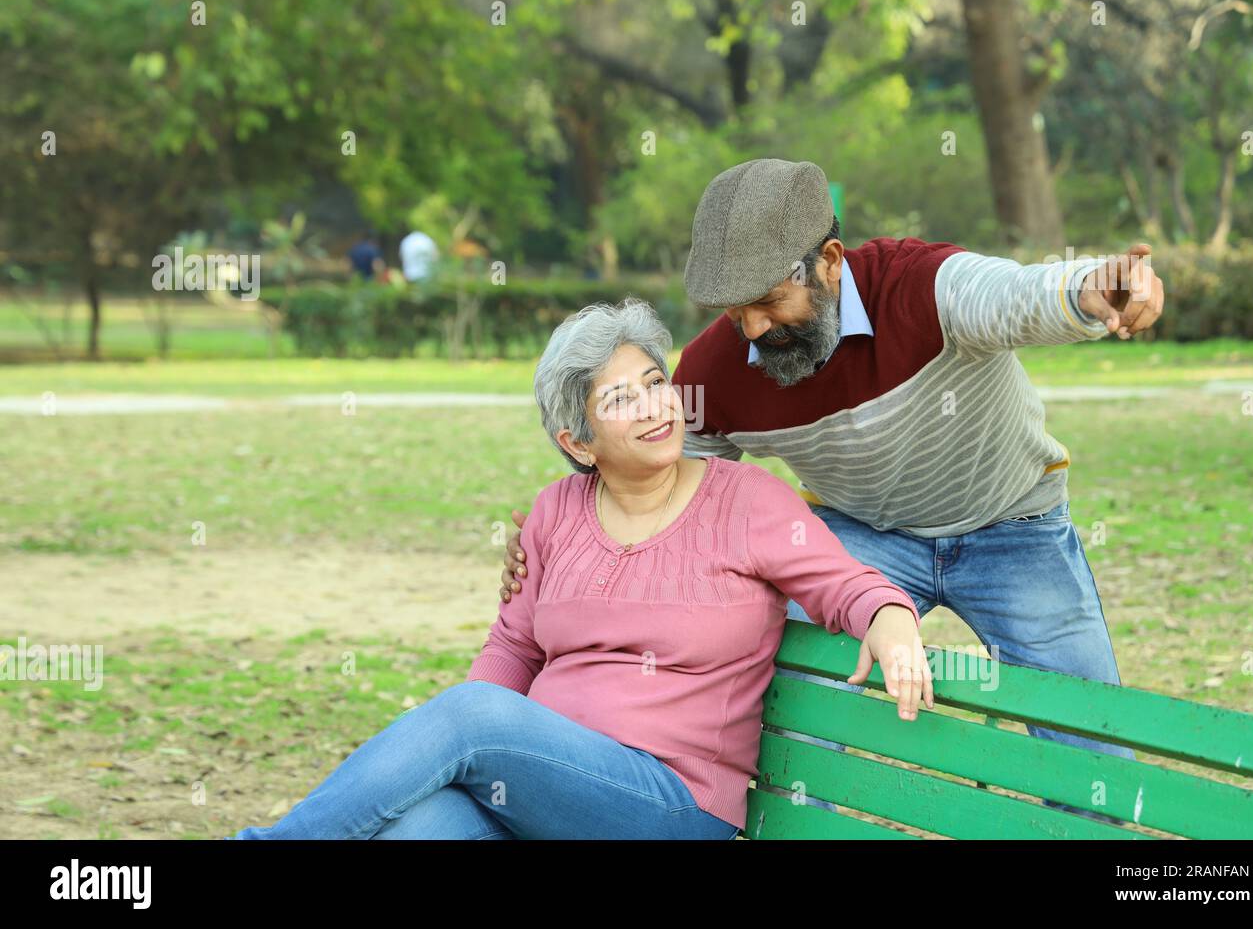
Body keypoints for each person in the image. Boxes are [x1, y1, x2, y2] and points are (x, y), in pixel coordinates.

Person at [502, 158, 1167, 824]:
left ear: (829, 261)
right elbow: (642, 472)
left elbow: (1023, 293)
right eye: (738, 312)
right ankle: (800, 824)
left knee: (1086, 728)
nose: (756, 328)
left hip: (1014, 528)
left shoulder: (923, 287)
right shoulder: (716, 371)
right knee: (788, 693)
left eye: (769, 301)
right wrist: (557, 537)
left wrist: (1096, 289)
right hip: (857, 537)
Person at [231, 298, 929, 840]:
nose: (654, 406)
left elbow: (843, 583)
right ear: (579, 441)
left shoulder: (746, 500)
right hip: (539, 792)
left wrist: (890, 620)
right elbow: (512, 649)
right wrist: (483, 756)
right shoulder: (557, 512)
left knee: (470, 721)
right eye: (619, 399)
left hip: (668, 806)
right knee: (422, 826)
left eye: (656, 383)